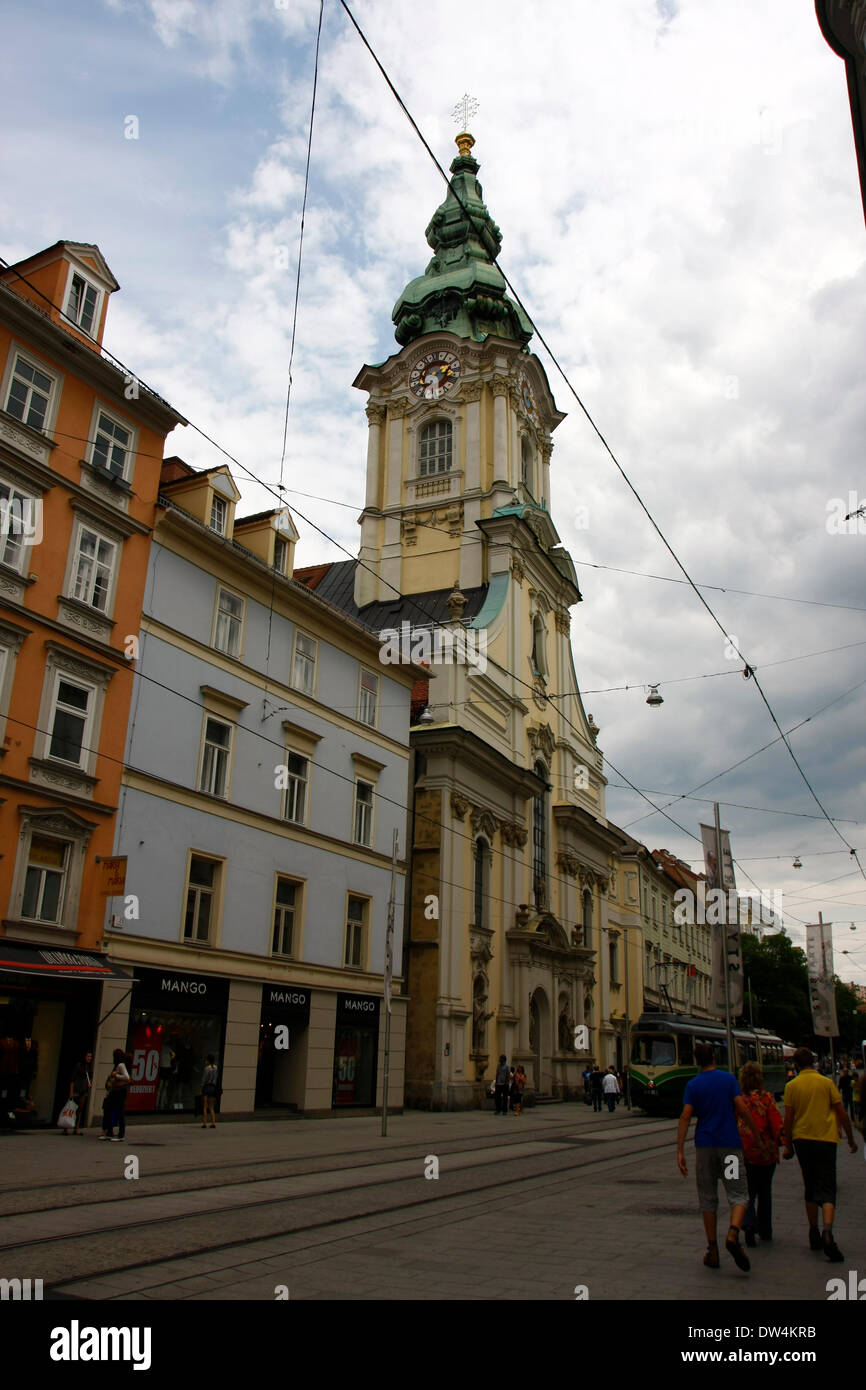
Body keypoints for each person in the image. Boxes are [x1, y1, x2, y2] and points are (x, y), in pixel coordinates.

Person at [676, 1041, 766, 1272]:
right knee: (738, 1193)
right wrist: (756, 1137)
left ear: (697, 1062)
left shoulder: (693, 1085)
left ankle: (712, 1250)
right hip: (730, 1148)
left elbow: (686, 1116)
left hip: (705, 1147)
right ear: (714, 1058)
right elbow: (743, 1109)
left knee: (707, 1197)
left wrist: (679, 1150)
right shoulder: (728, 1080)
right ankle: (733, 1233)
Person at [782, 1046, 857, 1263]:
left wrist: (788, 1146)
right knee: (828, 1186)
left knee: (810, 1185)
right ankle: (828, 1231)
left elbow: (788, 1118)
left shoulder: (792, 1086)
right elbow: (841, 1112)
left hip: (802, 1140)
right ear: (813, 1063)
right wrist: (851, 1139)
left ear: (796, 1065)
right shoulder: (826, 1083)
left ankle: (813, 1230)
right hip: (826, 1140)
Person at [737, 1061, 783, 1246]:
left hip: (744, 1152)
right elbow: (777, 1125)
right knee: (765, 1191)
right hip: (765, 1152)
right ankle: (765, 1230)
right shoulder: (767, 1099)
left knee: (747, 1192)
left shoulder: (738, 1100)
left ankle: (748, 1223)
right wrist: (783, 1144)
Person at [100, 1048, 130, 1142]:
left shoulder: (121, 1065)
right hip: (116, 1091)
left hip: (119, 1092)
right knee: (109, 1109)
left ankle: (120, 1134)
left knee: (119, 1111)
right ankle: (110, 1132)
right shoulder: (118, 1065)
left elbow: (126, 1077)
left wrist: (115, 1075)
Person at [68, 1052, 93, 1135]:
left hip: (84, 1090)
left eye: (90, 1056)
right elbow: (72, 1079)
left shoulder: (88, 1067)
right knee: (71, 1108)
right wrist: (71, 1092)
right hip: (76, 1089)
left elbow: (89, 1078)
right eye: (88, 1056)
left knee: (80, 1110)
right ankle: (66, 1126)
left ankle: (76, 1128)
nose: (89, 1058)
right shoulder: (79, 1065)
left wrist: (89, 1084)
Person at [200, 1053, 219, 1129]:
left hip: (206, 1087)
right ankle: (213, 1122)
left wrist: (201, 1089)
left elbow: (203, 1080)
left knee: (205, 1106)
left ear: (208, 1060)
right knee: (211, 1106)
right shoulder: (215, 1068)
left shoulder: (206, 1068)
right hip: (212, 1087)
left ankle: (204, 1123)